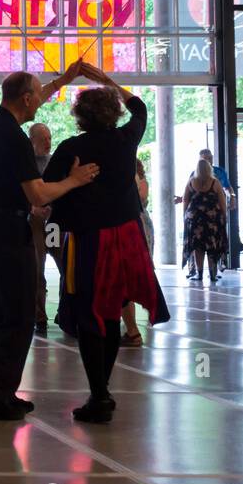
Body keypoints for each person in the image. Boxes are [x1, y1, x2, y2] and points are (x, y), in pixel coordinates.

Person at [0, 63, 99, 421]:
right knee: (20, 315)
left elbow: (33, 94)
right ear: (26, 98)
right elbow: (38, 194)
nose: (41, 100)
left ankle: (0, 389)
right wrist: (75, 179)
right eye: (38, 96)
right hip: (6, 232)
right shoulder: (16, 139)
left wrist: (64, 80)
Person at [44, 66, 169, 422]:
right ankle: (102, 391)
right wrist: (109, 82)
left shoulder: (71, 148)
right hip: (127, 235)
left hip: (89, 239)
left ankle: (99, 394)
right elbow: (141, 108)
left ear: (80, 116)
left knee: (88, 315)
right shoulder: (127, 139)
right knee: (113, 310)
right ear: (114, 112)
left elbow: (47, 190)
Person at [28, 122, 59, 334]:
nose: (48, 142)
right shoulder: (25, 164)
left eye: (49, 138)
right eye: (43, 139)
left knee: (65, 264)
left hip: (54, 221)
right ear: (32, 141)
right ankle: (39, 316)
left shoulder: (54, 162)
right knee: (37, 268)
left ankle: (65, 311)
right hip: (34, 221)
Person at [122, 157, 153, 347]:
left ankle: (134, 328)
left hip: (139, 223)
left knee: (140, 270)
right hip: (136, 222)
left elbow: (140, 199)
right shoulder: (136, 180)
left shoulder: (141, 182)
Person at [183, 157, 229, 284]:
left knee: (198, 247)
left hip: (195, 220)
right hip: (212, 220)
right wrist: (224, 216)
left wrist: (185, 215)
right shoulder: (215, 182)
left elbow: (185, 199)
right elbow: (222, 200)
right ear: (209, 168)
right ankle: (213, 274)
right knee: (212, 246)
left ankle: (199, 273)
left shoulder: (191, 182)